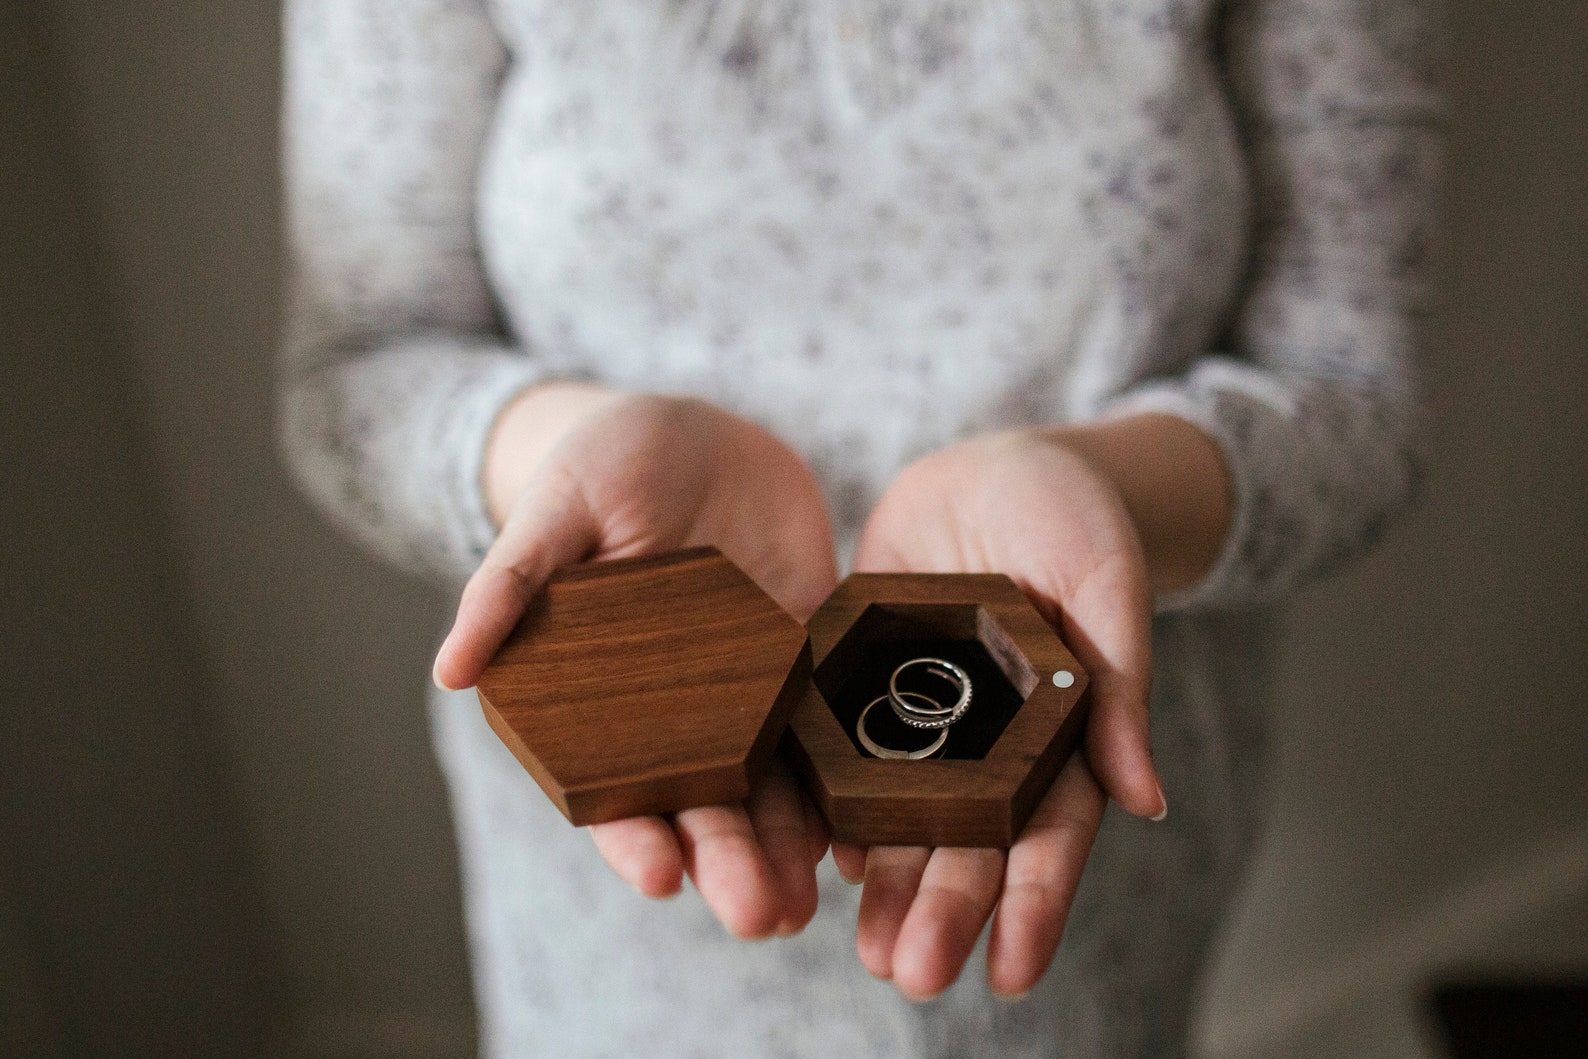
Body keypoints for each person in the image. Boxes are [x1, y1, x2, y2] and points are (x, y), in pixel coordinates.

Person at [278, 0, 1439, 1054]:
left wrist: (1100, 487)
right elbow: (359, 366)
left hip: (1072, 810)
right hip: (621, 825)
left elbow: (1352, 398)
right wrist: (558, 448)